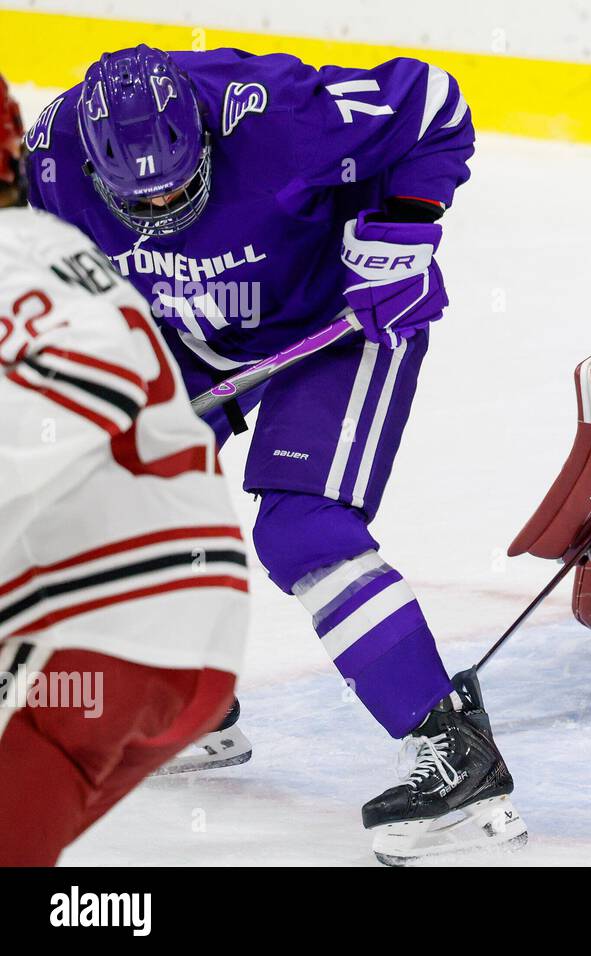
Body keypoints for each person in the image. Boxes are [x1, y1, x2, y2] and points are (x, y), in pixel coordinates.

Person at [24, 46, 523, 861]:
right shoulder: (50, 162)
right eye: (138, 197)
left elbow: (433, 103)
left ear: (205, 139)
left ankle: (456, 753)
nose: (160, 205)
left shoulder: (276, 114)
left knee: (303, 529)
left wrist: (403, 229)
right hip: (193, 333)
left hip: (336, 320)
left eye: (180, 186)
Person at [0, 72, 247, 864]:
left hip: (98, 634)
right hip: (185, 643)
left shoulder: (16, 263)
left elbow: (88, 377)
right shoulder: (60, 247)